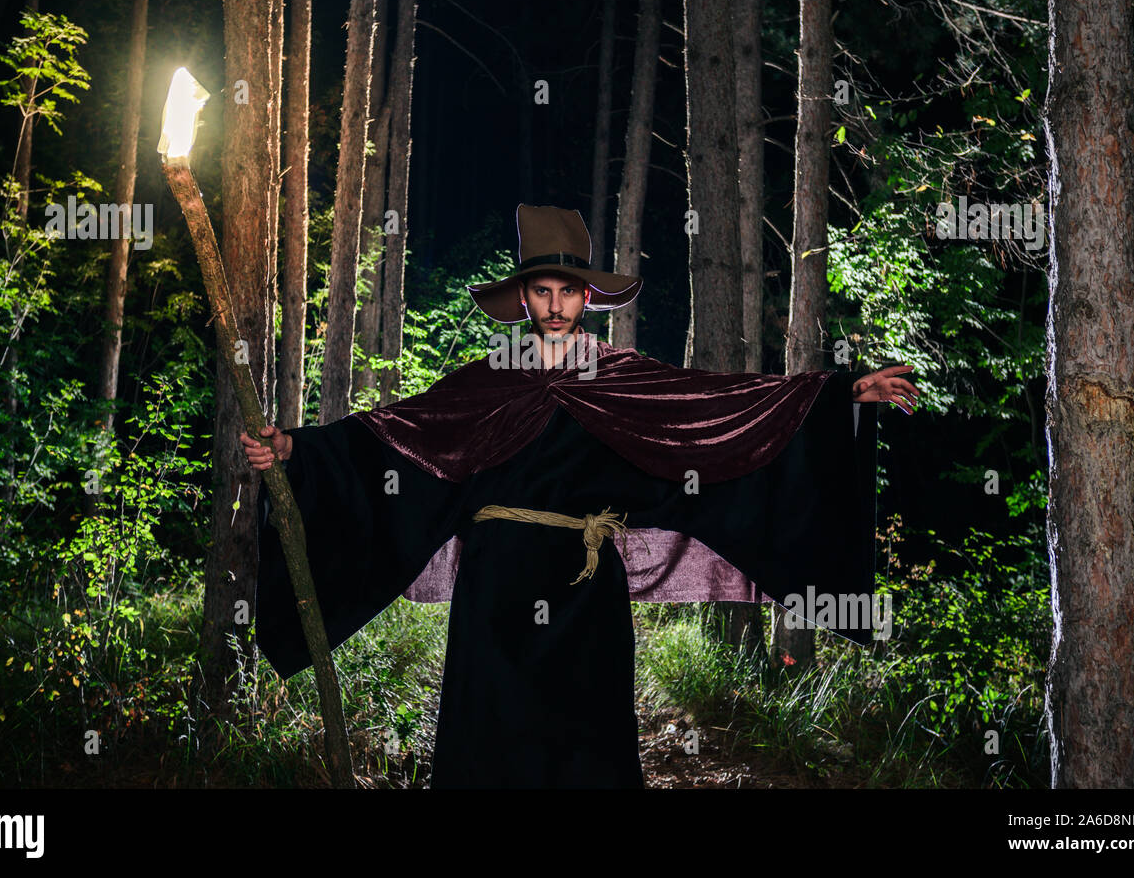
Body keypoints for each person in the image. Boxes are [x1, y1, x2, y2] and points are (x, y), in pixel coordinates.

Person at [242, 203, 921, 788]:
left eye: (569, 292)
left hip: (585, 592)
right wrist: (297, 450)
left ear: (588, 297)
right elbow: (391, 436)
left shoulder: (623, 379)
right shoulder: (485, 384)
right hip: (495, 592)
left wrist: (840, 394)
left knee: (586, 744)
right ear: (524, 298)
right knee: (492, 740)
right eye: (542, 291)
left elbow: (724, 408)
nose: (556, 306)